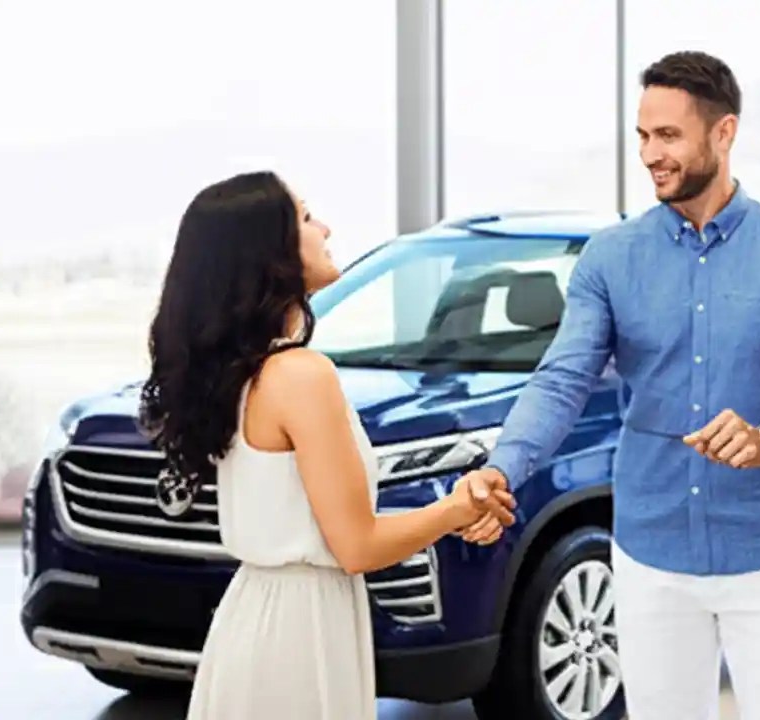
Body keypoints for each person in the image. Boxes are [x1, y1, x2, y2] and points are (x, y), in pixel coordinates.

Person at [455, 51, 760, 719]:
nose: (652, 154)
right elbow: (562, 380)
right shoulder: (611, 257)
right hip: (650, 557)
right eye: (644, 136)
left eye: (669, 136)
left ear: (724, 132)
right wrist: (503, 468)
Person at [137, 171, 517, 720]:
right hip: (298, 633)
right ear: (270, 252)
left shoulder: (243, 373)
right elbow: (357, 545)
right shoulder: (300, 376)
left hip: (263, 617)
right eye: (307, 218)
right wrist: (457, 508)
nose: (326, 229)